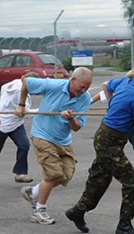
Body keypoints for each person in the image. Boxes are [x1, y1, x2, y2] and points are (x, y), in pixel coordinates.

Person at [65, 61, 134, 234]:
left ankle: (77, 212)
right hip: (110, 142)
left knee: (99, 179)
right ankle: (124, 226)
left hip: (104, 135)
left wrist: (113, 105)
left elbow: (106, 85)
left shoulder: (124, 81)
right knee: (133, 183)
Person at [16, 67, 95, 226]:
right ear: (73, 80)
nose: (83, 90)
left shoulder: (85, 98)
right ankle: (39, 210)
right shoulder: (53, 85)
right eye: (82, 86)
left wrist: (70, 119)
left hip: (63, 140)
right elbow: (26, 82)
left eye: (87, 87)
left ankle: (34, 192)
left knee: (65, 175)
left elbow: (77, 127)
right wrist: (21, 105)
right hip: (42, 135)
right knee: (53, 174)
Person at [0, 71, 39, 187]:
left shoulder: (11, 84)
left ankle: (20, 174)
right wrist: (41, 110)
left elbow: (3, 88)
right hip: (0, 124)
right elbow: (25, 114)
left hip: (15, 124)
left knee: (24, 145)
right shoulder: (20, 92)